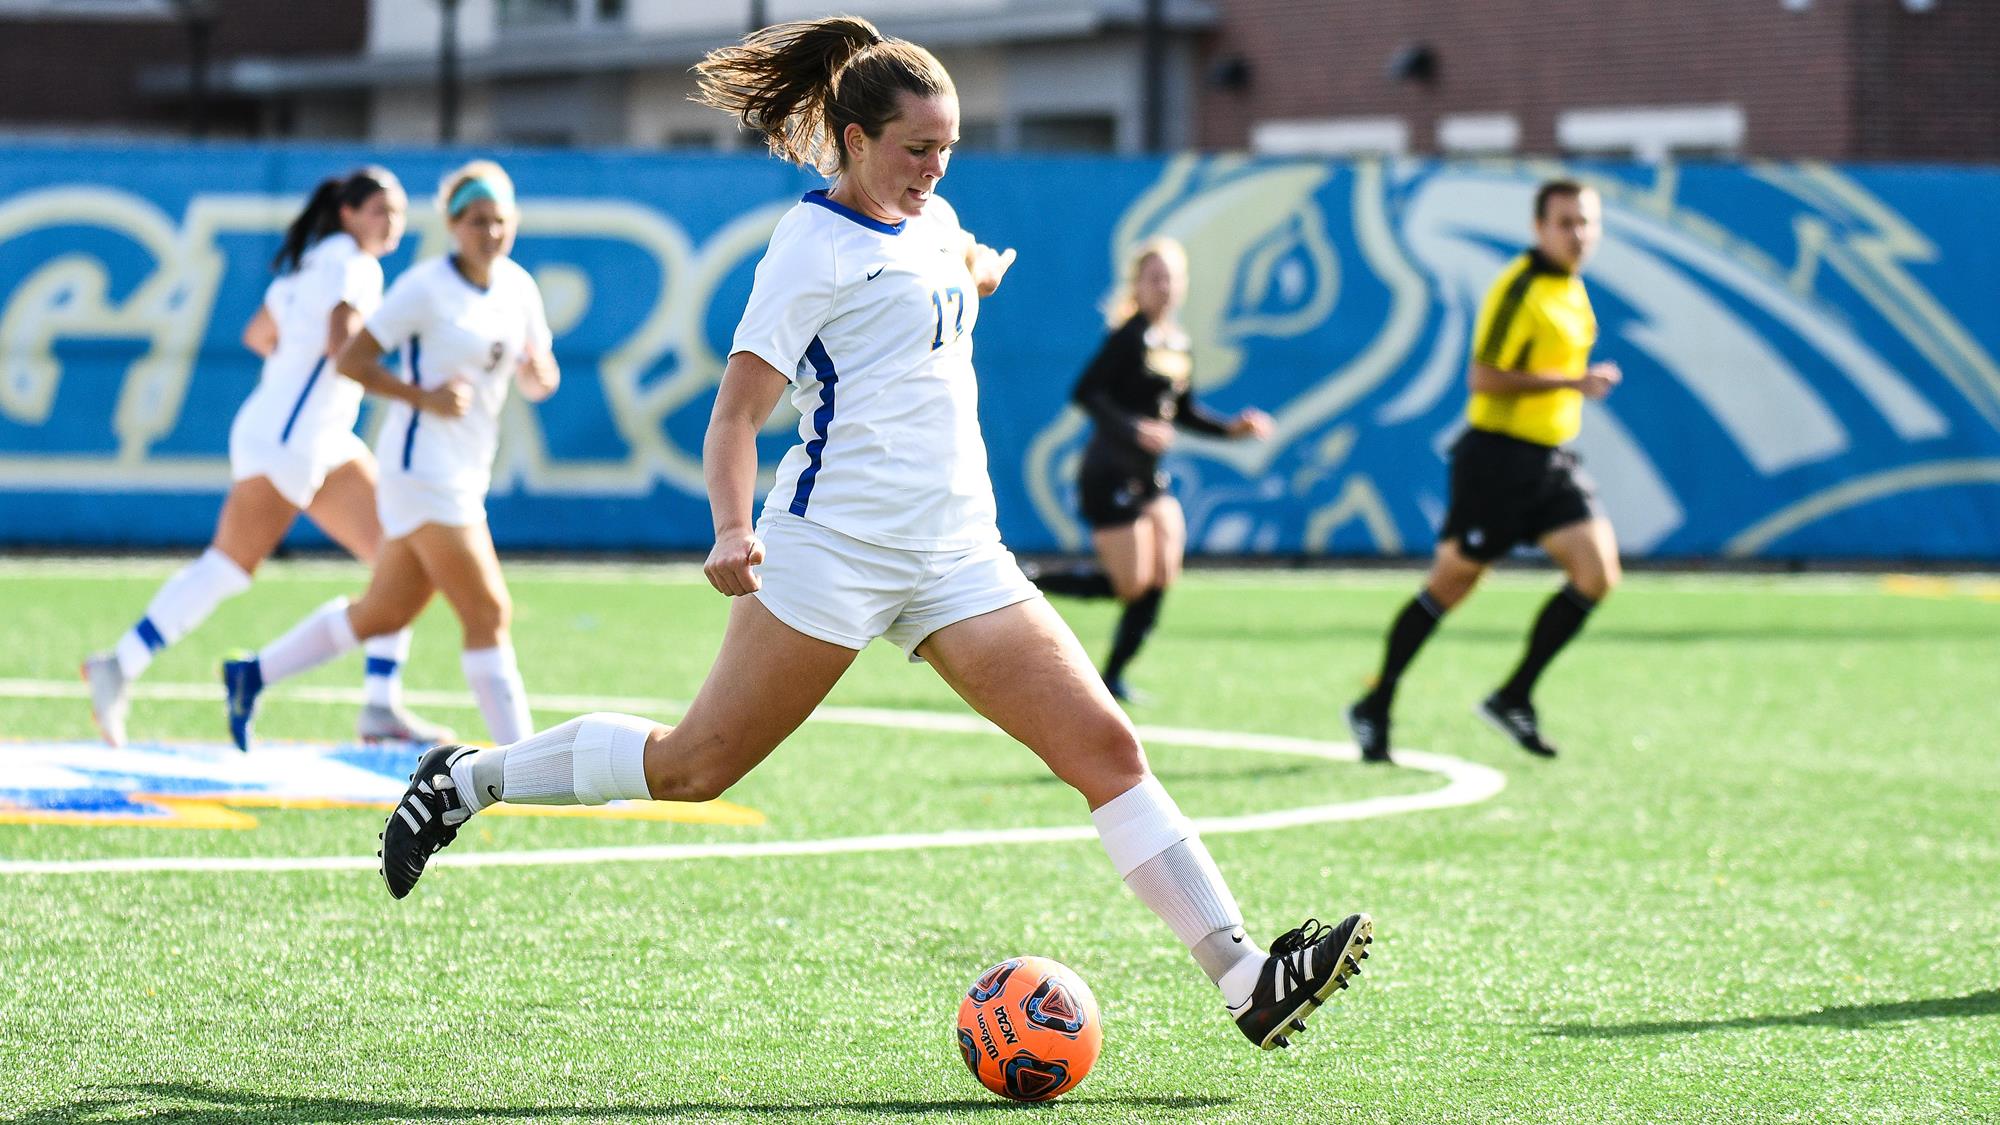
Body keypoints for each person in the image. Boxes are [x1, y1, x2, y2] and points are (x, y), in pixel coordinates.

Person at [375, 16, 1370, 1052]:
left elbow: (936, 274)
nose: (935, 169)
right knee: (694, 765)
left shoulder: (936, 222)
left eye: (947, 149)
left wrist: (974, 278)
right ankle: (465, 779)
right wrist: (729, 527)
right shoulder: (808, 246)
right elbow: (734, 415)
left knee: (1108, 751)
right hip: (833, 549)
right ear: (854, 139)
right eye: (915, 149)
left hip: (957, 553)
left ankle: (1245, 976)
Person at [81, 168, 450, 749]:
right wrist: (418, 394)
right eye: (381, 210)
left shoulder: (311, 263)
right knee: (229, 566)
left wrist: (299, 364)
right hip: (291, 439)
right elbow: (343, 351)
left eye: (399, 212)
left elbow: (259, 334)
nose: (393, 222)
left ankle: (380, 707)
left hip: (313, 435)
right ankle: (119, 663)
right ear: (348, 214)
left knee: (398, 558)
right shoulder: (354, 264)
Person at [223, 160, 558, 754]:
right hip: (420, 470)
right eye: (477, 220)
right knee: (488, 612)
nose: (491, 232)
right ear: (453, 225)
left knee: (384, 611)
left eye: (500, 220)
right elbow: (351, 359)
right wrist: (423, 397)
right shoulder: (425, 287)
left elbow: (538, 378)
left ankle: (252, 674)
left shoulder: (518, 287)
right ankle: (528, 768)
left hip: (466, 469)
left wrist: (539, 374)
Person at [1346, 180, 1622, 764]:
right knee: (1452, 584)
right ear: (1539, 228)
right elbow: (1483, 377)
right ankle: (1376, 702)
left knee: (1598, 573)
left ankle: (1513, 695)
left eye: (1587, 222)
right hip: (1497, 461)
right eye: (1566, 222)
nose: (1578, 234)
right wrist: (1573, 382)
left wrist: (1574, 385)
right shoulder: (1518, 287)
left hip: (1552, 459)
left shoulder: (1572, 288)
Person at [1029, 238, 1272, 701]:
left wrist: (1232, 429)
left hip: (1147, 477)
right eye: (1155, 278)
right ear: (1136, 285)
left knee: (1162, 572)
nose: (1164, 287)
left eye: (1171, 278)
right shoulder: (1129, 336)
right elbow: (1086, 392)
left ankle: (1114, 676)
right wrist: (1134, 427)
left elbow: (1183, 411)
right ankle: (1030, 578)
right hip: (1108, 474)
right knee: (1130, 584)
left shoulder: (1176, 341)